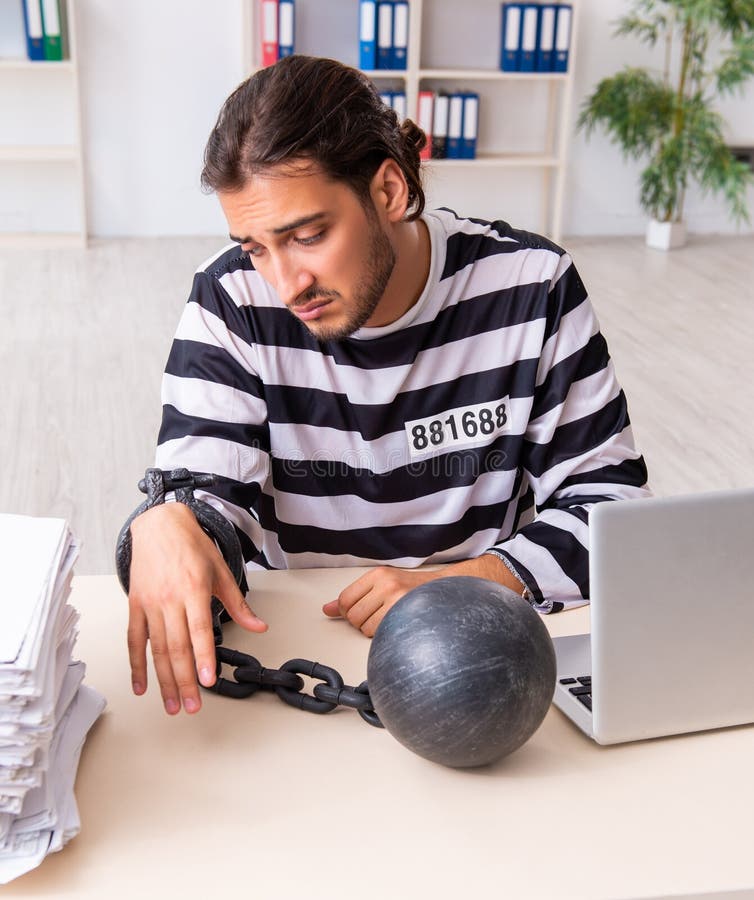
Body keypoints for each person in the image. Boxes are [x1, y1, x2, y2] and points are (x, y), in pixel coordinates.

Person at [126, 55, 650, 717]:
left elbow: (613, 511)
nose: (285, 286)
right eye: (255, 247)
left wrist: (476, 582)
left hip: (483, 661)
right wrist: (168, 526)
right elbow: (204, 505)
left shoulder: (531, 287)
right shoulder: (230, 299)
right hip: (299, 658)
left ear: (389, 191)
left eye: (308, 235)